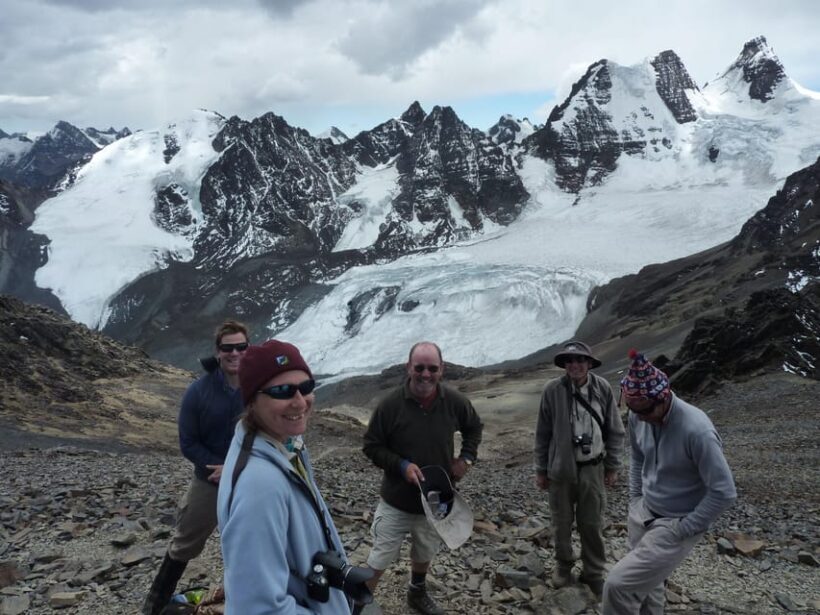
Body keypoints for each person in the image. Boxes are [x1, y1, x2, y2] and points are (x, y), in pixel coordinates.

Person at [217, 340, 364, 614]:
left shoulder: (282, 445)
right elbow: (257, 608)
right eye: (282, 391)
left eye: (306, 387)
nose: (299, 402)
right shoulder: (261, 485)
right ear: (252, 400)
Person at [602, 350, 737, 614]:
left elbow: (724, 491)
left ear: (663, 397)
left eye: (646, 410)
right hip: (644, 512)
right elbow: (638, 456)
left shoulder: (697, 430)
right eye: (634, 411)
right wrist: (635, 500)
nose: (641, 418)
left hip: (675, 522)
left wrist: (684, 528)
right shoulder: (639, 416)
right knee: (648, 584)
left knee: (617, 586)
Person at [360, 342, 484, 615]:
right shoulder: (390, 405)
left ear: (441, 370)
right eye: (419, 368)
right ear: (409, 368)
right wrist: (401, 465)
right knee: (380, 555)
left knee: (425, 549)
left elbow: (474, 428)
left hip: (436, 500)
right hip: (396, 499)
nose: (425, 374)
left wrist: (466, 459)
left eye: (432, 368)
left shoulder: (454, 402)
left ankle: (417, 593)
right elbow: (371, 445)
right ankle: (358, 604)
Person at [142, 320, 249, 615]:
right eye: (228, 348)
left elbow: (264, 435)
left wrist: (235, 465)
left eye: (241, 346)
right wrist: (215, 466)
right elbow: (188, 442)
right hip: (209, 481)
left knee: (252, 540)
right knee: (185, 543)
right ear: (217, 352)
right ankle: (154, 604)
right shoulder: (198, 392)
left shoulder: (258, 389)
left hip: (249, 478)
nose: (235, 353)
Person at [533, 340, 626, 597]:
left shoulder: (603, 388)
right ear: (564, 364)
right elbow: (543, 433)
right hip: (560, 469)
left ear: (589, 363)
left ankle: (594, 572)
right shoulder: (552, 390)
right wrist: (541, 469)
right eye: (570, 361)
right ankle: (563, 567)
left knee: (592, 522)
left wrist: (613, 465)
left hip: (593, 468)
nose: (575, 365)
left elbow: (615, 430)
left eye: (580, 360)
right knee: (561, 522)